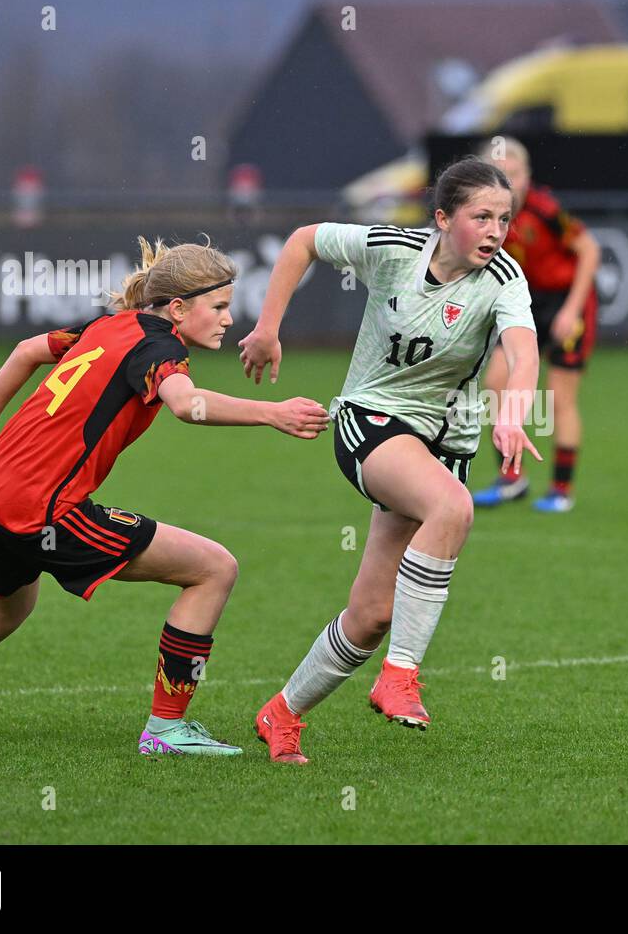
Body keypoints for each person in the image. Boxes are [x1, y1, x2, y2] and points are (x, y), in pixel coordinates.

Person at [0, 237, 330, 756]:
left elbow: (26, 350)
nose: (229, 318)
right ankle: (166, 730)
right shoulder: (157, 345)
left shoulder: (109, 325)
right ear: (177, 308)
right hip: (46, 511)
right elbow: (186, 404)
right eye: (219, 306)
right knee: (215, 569)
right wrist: (271, 413)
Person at [239, 157, 541, 764]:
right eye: (481, 217)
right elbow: (303, 241)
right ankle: (399, 675)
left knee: (372, 614)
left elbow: (524, 349)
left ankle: (281, 714)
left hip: (444, 442)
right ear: (441, 218)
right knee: (453, 506)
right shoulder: (393, 247)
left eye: (504, 219)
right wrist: (269, 327)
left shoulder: (504, 278)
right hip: (370, 418)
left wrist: (513, 412)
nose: (495, 231)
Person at [471, 136, 600, 512]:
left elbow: (589, 250)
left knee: (560, 397)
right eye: (500, 174)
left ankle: (560, 490)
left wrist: (571, 309)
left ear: (528, 176)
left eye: (516, 173)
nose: (510, 182)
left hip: (565, 300)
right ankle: (512, 479)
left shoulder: (545, 209)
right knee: (495, 381)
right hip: (523, 302)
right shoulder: (483, 216)